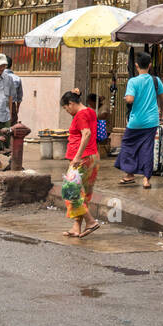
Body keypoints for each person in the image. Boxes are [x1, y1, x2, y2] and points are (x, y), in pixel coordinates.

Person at [116, 52, 163, 189]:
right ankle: (146, 180)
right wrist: (161, 112)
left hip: (136, 121)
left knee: (127, 145)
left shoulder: (133, 81)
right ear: (150, 65)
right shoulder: (156, 80)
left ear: (136, 65)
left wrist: (126, 98)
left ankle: (129, 174)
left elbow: (130, 99)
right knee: (147, 148)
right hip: (152, 120)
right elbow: (162, 99)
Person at [60, 90, 101, 239]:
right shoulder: (90, 111)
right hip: (93, 157)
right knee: (83, 194)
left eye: (66, 108)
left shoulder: (81, 115)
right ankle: (76, 227)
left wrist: (77, 156)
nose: (68, 111)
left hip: (82, 159)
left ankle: (90, 222)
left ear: (71, 103)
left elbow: (87, 133)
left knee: (69, 190)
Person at [87, 92, 112, 164]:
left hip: (104, 129)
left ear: (94, 102)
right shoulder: (92, 108)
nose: (89, 104)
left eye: (90, 102)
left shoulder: (104, 108)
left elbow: (103, 116)